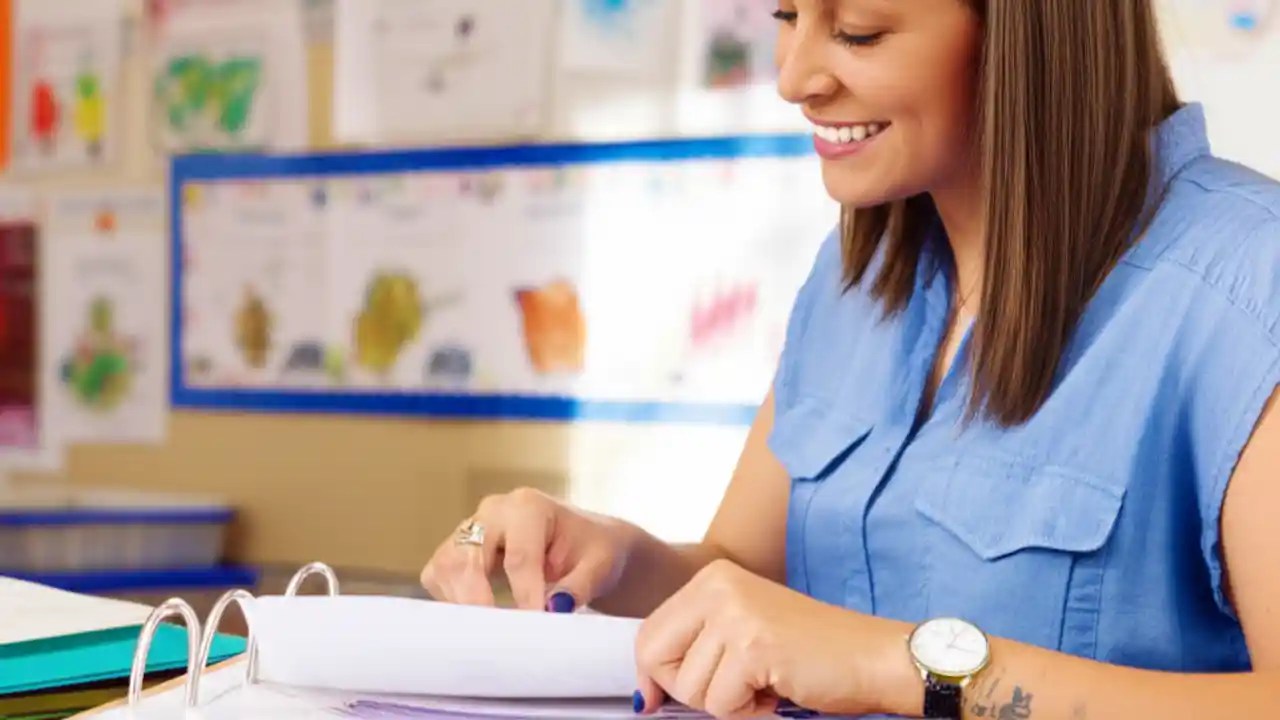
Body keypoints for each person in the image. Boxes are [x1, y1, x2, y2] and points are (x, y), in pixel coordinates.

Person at [421, 1, 1280, 718]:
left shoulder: (1246, 282)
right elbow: (746, 574)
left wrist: (901, 666)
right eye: (789, 16)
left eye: (858, 31)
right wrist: (609, 556)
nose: (795, 77)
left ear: (1026, 36)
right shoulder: (854, 280)